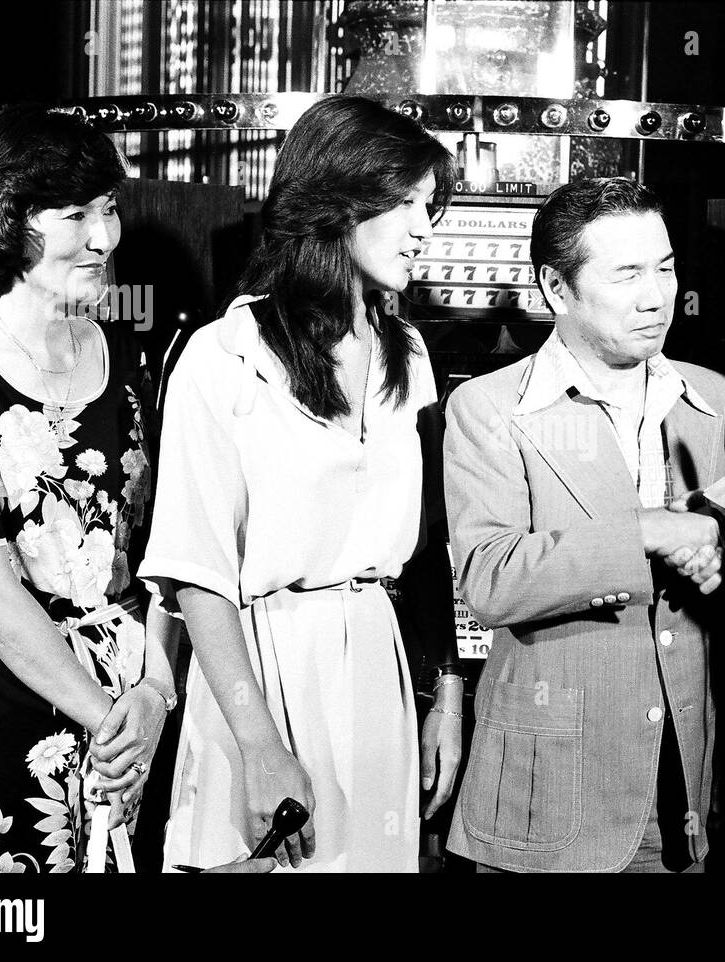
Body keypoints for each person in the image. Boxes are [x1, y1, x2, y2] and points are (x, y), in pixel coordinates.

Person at [138, 96, 462, 873]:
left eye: (430, 205)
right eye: (404, 204)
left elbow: (429, 547)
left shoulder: (409, 354)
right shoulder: (223, 359)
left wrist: (445, 697)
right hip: (261, 664)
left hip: (378, 664)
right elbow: (196, 570)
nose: (425, 227)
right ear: (335, 199)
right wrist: (258, 742)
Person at [443, 177, 725, 873]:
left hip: (684, 792)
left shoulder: (711, 398)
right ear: (557, 288)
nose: (657, 295)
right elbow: (491, 581)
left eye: (667, 268)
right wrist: (645, 531)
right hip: (551, 797)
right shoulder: (489, 409)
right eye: (627, 274)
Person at [0, 104, 177, 873]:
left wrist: (154, 690)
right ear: (7, 220)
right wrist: (110, 724)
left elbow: (167, 545)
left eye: (110, 209)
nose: (105, 237)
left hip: (153, 704)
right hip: (32, 718)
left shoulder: (128, 353)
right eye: (75, 213)